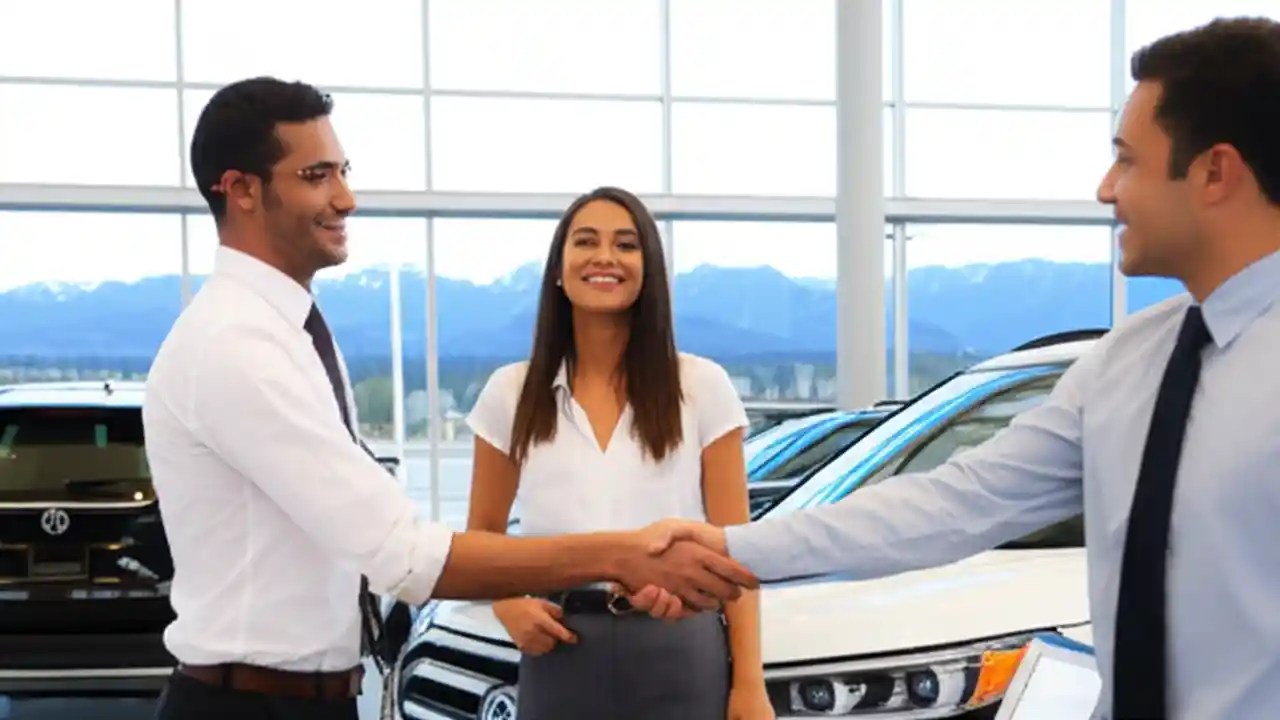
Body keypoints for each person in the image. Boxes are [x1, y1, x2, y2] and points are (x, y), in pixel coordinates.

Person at [639, 16, 1280, 720]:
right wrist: (730, 548)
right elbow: (954, 502)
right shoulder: (1128, 361)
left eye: (1127, 159)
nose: (1106, 189)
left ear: (1215, 172)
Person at [142, 77, 756, 720]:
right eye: (316, 175)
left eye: (342, 172)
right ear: (241, 190)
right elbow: (402, 553)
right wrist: (618, 555)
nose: (346, 198)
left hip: (302, 695)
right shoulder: (238, 346)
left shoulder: (285, 332)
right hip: (250, 704)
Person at [463, 187, 773, 719]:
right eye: (586, 242)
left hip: (679, 644)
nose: (605, 257)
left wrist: (749, 683)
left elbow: (735, 552)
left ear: (647, 270)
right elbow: (481, 536)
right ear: (558, 271)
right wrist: (507, 604)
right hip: (559, 647)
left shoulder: (702, 386)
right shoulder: (510, 392)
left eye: (626, 245)